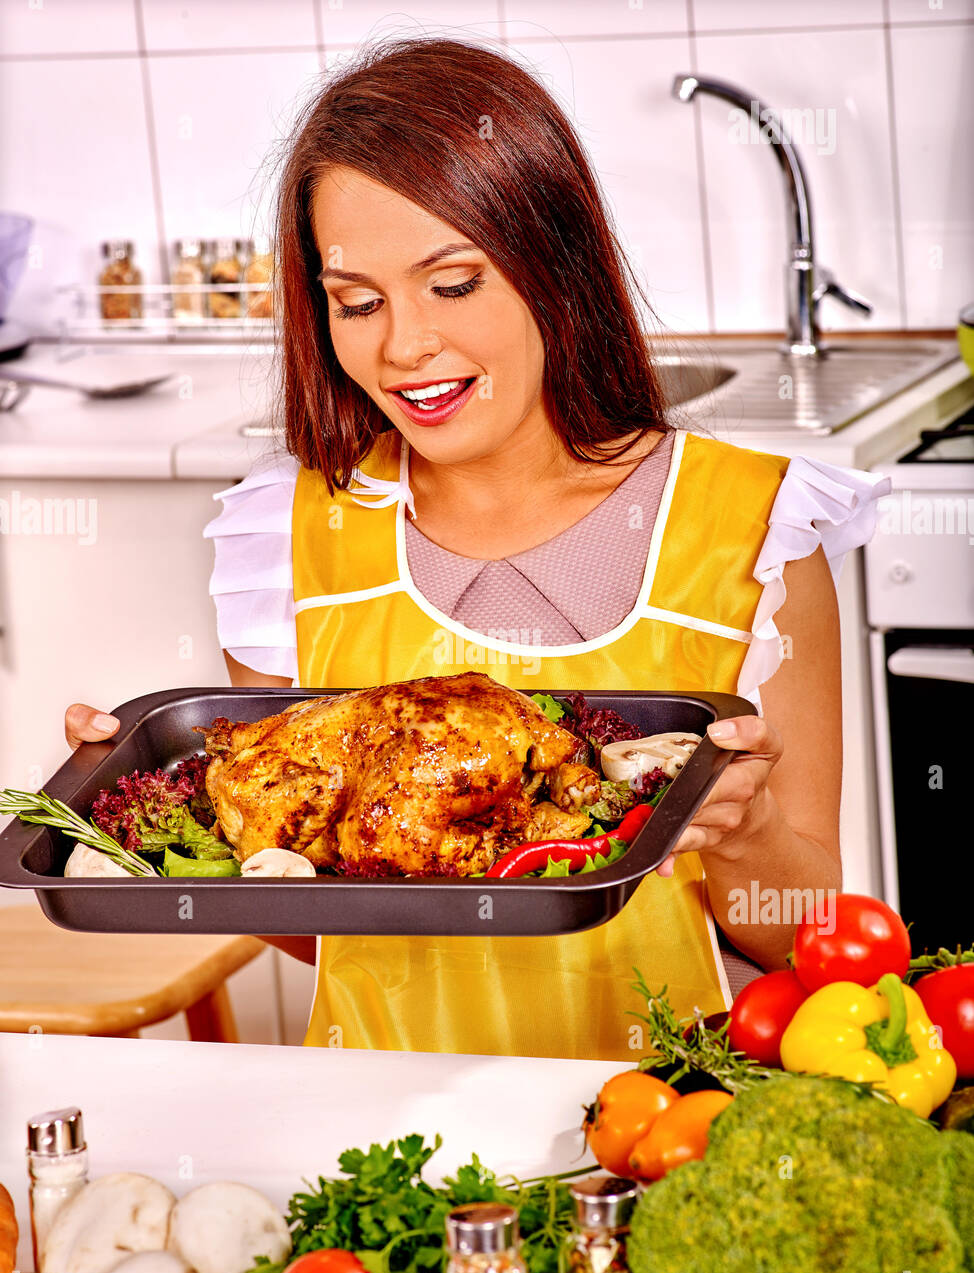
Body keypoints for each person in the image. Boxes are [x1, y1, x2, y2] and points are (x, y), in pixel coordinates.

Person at [66, 38, 888, 1062]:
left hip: (651, 1119)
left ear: (554, 264)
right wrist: (148, 840)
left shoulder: (748, 532)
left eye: (451, 282)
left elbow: (804, 935)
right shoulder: (286, 539)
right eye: (356, 301)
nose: (402, 345)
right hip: (375, 1122)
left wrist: (746, 828)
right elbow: (314, 930)